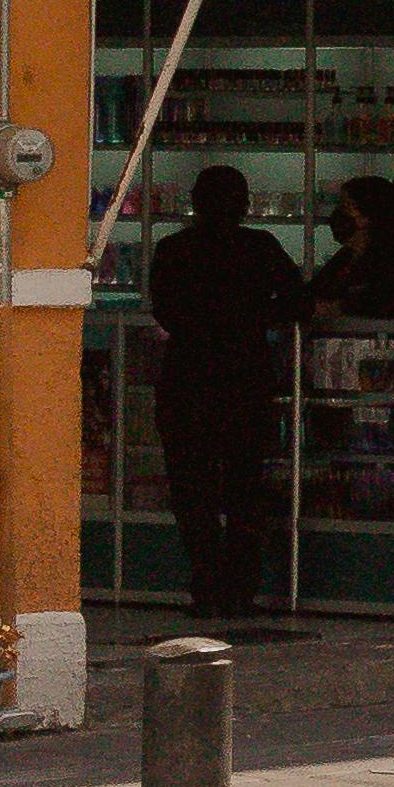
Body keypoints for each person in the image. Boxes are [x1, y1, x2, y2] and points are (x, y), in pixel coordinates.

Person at [144, 164, 302, 621]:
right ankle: (240, 589)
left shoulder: (175, 249)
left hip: (187, 381)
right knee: (244, 490)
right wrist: (253, 317)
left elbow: (166, 311)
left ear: (195, 202)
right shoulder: (260, 247)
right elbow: (297, 300)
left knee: (193, 491)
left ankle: (206, 585)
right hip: (245, 382)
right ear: (246, 203)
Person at [307, 173, 394, 324]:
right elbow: (313, 293)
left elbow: (388, 303)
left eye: (347, 206)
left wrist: (339, 306)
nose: (337, 213)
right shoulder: (345, 257)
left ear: (369, 215)